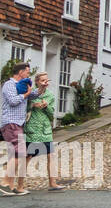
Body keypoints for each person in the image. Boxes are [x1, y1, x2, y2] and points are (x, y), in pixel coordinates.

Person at [24, 72, 64, 191]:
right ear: (37, 82)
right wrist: (32, 105)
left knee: (50, 155)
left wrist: (46, 106)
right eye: (42, 81)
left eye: (46, 80)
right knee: (28, 156)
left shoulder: (50, 95)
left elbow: (52, 113)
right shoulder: (31, 94)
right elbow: (23, 108)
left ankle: (52, 183)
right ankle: (20, 184)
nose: (45, 83)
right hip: (33, 129)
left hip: (45, 129)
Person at [1, 62, 35, 195]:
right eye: (27, 71)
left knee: (14, 154)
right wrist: (26, 94)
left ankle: (9, 186)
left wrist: (41, 89)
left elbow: (32, 94)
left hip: (17, 124)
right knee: (18, 153)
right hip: (11, 122)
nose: (28, 73)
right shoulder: (9, 85)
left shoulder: (22, 85)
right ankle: (4, 183)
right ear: (20, 72)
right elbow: (13, 101)